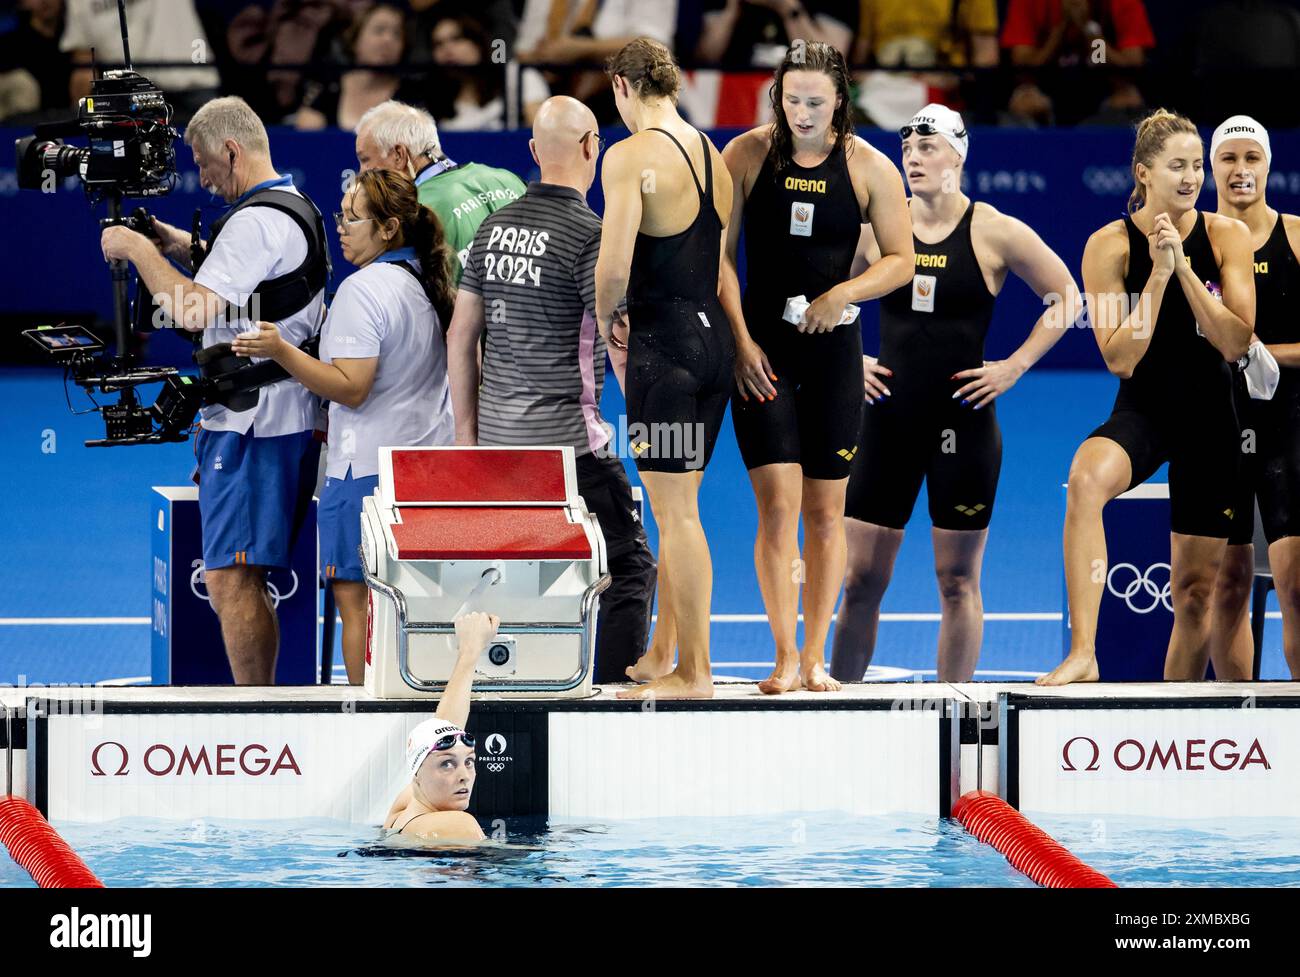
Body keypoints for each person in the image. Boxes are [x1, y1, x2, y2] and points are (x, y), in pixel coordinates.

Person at [829, 105, 1080, 683]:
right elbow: (821, 298)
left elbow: (1067, 296)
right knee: (859, 581)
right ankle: (835, 709)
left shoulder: (993, 230)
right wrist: (851, 360)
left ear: (958, 157)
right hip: (886, 425)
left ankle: (955, 721)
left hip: (964, 429)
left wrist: (1014, 366)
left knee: (958, 582)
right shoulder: (877, 232)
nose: (913, 159)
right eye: (907, 150)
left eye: (927, 148)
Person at [100, 96, 329, 685]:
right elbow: (255, 287)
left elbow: (192, 309)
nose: (200, 178)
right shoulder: (290, 203)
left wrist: (138, 251)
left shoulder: (255, 221)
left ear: (232, 149)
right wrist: (175, 242)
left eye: (203, 164)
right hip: (271, 414)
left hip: (256, 421)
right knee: (239, 572)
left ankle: (258, 713)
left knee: (233, 576)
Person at [720, 42, 913, 694]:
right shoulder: (745, 155)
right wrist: (741, 343)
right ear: (776, 95)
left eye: (814, 100)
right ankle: (780, 654)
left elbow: (901, 259)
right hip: (761, 356)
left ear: (838, 102)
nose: (801, 112)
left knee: (826, 513)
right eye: (790, 98)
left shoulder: (868, 166)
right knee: (777, 507)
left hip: (832, 357)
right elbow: (718, 259)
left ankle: (814, 656)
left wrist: (842, 295)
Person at [1040, 108, 1254, 686]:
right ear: (1143, 173)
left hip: (1216, 418)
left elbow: (1237, 341)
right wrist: (1156, 278)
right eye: (1175, 166)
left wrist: (1183, 270)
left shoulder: (1227, 236)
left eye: (1195, 166)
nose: (1191, 178)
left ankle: (1178, 710)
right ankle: (1084, 653)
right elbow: (1119, 358)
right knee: (1086, 478)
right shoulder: (1107, 246)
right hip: (1146, 411)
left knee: (1193, 596)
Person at [447, 95, 655, 686]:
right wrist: (647, 429)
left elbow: (461, 338)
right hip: (571, 450)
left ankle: (499, 687)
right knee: (630, 568)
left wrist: (468, 439)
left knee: (516, 577)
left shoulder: (491, 228)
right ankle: (613, 695)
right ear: (594, 147)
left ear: (535, 153)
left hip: (498, 447)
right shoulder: (592, 237)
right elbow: (620, 346)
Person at [232, 168, 457, 685]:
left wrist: (280, 350)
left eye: (353, 218)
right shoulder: (421, 280)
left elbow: (351, 386)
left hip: (365, 477)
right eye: (341, 216)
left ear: (388, 227)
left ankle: (371, 723)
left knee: (359, 605)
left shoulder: (364, 289)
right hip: (422, 471)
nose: (342, 227)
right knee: (407, 611)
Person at [596, 38, 735, 700]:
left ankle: (695, 672)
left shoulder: (629, 155)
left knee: (675, 514)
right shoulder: (713, 155)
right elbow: (714, 259)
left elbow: (615, 264)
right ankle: (662, 651)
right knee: (682, 506)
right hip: (712, 346)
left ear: (622, 87)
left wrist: (605, 319)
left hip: (665, 353)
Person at [1206, 116, 1300, 681]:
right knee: (1228, 581)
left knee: (1294, 579)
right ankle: (1236, 718)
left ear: (1268, 165)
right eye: (1228, 159)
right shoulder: (1197, 241)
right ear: (1210, 167)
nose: (1241, 171)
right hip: (1219, 420)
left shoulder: (1295, 235)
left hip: (1290, 419)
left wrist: (1258, 350)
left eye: (1252, 159)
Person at [355, 99, 526, 281]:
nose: (360, 174)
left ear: (399, 155)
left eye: (365, 160)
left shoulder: (408, 213)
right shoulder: (509, 179)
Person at [383, 612, 498, 844]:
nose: (464, 776)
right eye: (447, 764)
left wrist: (470, 649)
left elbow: (445, 728)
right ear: (417, 775)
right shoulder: (459, 826)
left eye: (469, 761)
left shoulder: (401, 813)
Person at [295, 4, 422, 132]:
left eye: (397, 34)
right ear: (355, 40)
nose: (388, 39)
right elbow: (307, 135)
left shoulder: (411, 95)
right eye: (379, 30)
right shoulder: (329, 88)